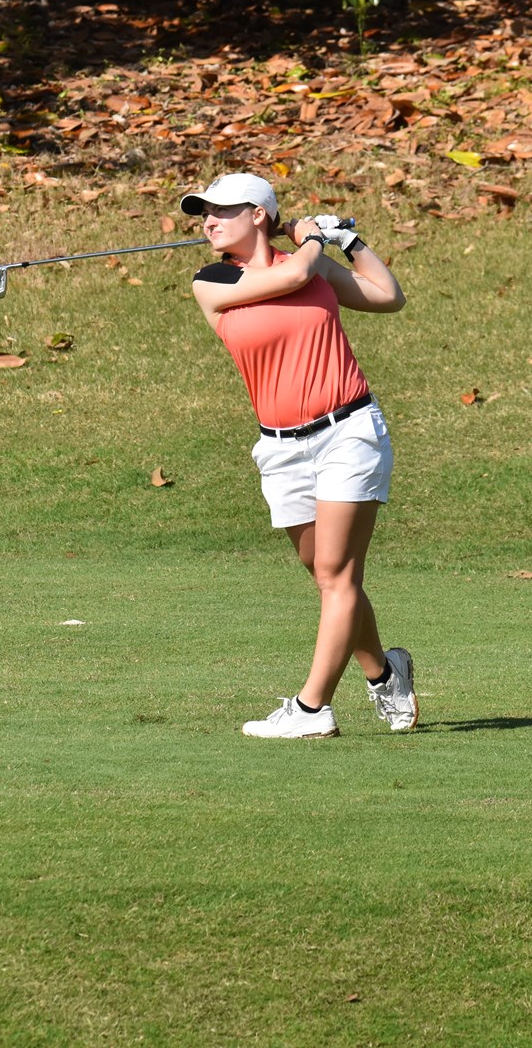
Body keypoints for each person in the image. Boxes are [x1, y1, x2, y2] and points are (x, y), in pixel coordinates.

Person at [180, 172, 416, 738]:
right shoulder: (212, 281)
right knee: (326, 573)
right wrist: (316, 237)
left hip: (348, 431)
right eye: (203, 212)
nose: (207, 221)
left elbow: (388, 297)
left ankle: (312, 711)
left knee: (338, 575)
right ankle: (386, 674)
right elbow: (293, 272)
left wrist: (350, 243)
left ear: (258, 215)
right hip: (281, 448)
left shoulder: (315, 267)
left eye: (221, 210)